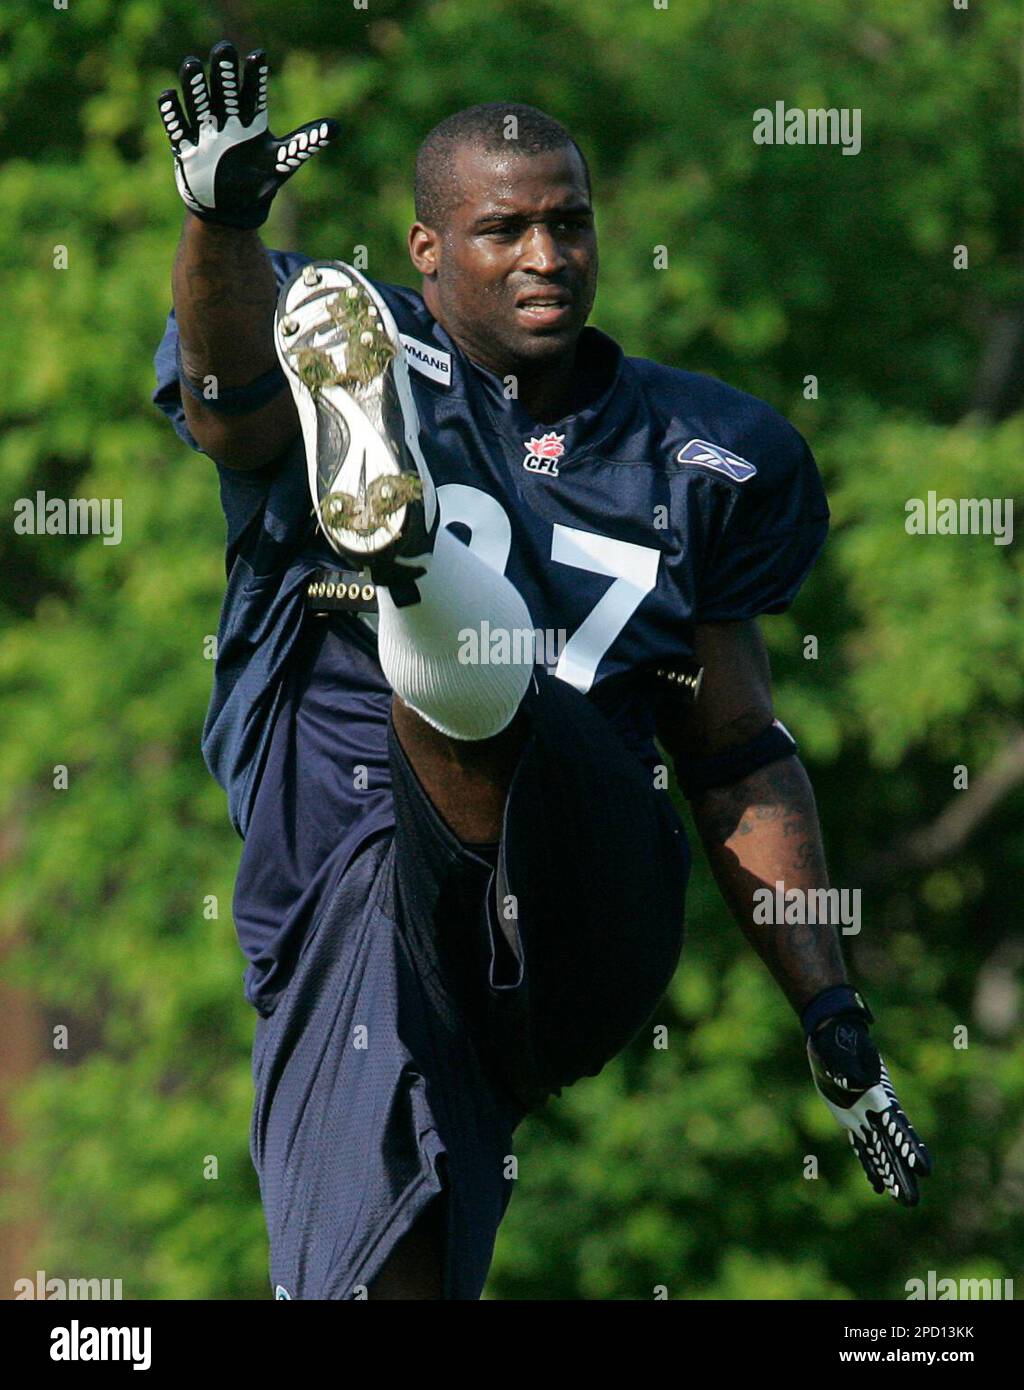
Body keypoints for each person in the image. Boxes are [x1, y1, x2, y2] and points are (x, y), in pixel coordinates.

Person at [152, 40, 931, 1300]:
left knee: (493, 697)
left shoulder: (709, 449)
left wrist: (832, 1013)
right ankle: (400, 540)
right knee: (368, 1248)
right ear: (425, 251)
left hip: (582, 877)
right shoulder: (329, 323)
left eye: (567, 224)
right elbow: (229, 404)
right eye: (503, 229)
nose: (545, 256)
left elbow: (731, 749)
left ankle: (405, 550)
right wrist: (221, 225)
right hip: (351, 878)